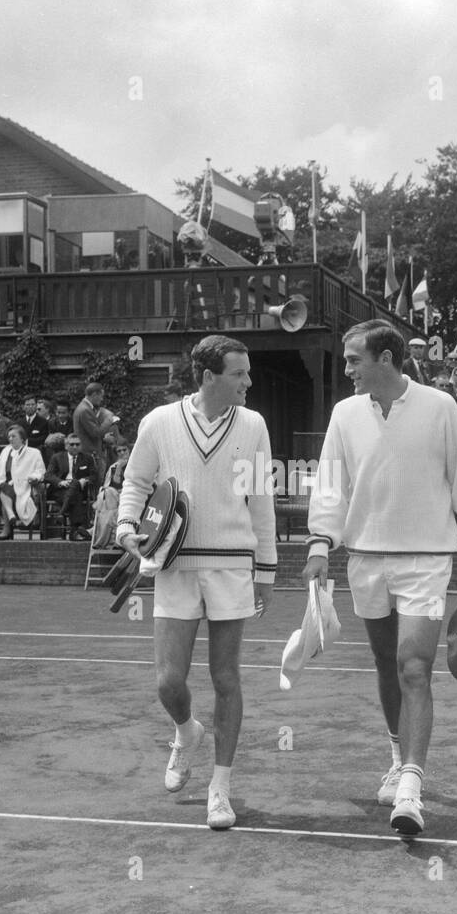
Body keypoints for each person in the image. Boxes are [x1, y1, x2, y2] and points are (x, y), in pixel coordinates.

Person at [303, 321, 457, 837]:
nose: (346, 370)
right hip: (364, 559)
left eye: (353, 360)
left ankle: (411, 783)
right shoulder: (345, 414)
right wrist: (321, 543)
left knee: (415, 667)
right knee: (386, 664)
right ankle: (395, 753)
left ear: (386, 359)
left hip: (426, 559)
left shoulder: (440, 407)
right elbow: (330, 485)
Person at [117, 334, 277, 832]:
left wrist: (267, 569)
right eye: (239, 374)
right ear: (209, 377)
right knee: (168, 681)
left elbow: (262, 499)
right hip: (173, 565)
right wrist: (126, 528)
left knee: (226, 679)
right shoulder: (159, 422)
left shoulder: (253, 424)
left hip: (232, 565)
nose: (249, 382)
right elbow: (137, 481)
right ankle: (187, 732)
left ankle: (220, 789)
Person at [0, 424, 45, 540]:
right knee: (3, 487)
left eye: (13, 436)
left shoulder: (34, 453)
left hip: (25, 487)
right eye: (9, 437)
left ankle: (7, 526)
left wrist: (33, 477)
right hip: (6, 487)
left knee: (3, 491)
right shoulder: (5, 452)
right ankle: (11, 516)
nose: (10, 439)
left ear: (22, 438)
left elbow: (40, 471)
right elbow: (0, 473)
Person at [45, 432, 95, 541]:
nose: (75, 447)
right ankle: (76, 530)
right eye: (72, 444)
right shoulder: (57, 457)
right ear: (66, 446)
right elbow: (48, 475)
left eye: (77, 444)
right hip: (60, 490)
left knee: (75, 485)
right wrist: (60, 482)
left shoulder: (87, 458)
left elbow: (94, 476)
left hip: (80, 490)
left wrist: (85, 480)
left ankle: (63, 511)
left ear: (81, 445)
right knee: (75, 494)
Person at [73, 382, 120, 485]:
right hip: (90, 454)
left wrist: (104, 436)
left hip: (89, 453)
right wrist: (109, 420)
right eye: (101, 396)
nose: (102, 399)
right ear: (94, 395)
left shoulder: (84, 408)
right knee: (96, 485)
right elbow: (95, 432)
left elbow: (91, 432)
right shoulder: (85, 410)